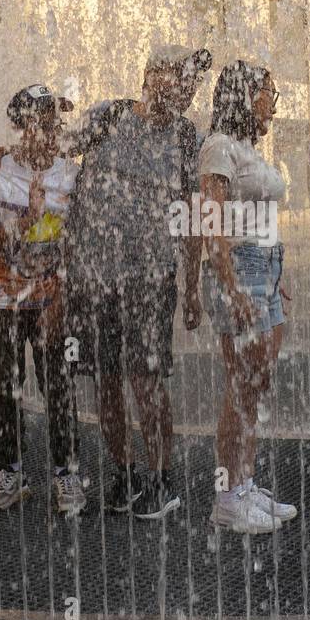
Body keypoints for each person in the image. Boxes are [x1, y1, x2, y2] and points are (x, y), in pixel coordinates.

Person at [63, 45, 210, 519]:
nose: (182, 88)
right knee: (106, 380)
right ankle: (123, 473)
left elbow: (191, 217)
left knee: (146, 380)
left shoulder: (187, 137)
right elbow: (58, 153)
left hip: (152, 279)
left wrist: (191, 288)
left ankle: (162, 478)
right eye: (174, 76)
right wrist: (5, 154)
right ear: (149, 75)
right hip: (95, 277)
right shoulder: (108, 116)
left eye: (189, 84)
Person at [0, 84, 85, 515]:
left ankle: (67, 475)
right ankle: (10, 472)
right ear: (21, 127)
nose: (53, 128)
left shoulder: (71, 175)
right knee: (5, 386)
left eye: (56, 118)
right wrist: (24, 223)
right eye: (43, 119)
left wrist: (65, 295)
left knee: (59, 386)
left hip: (50, 297)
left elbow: (78, 245)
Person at [199, 61, 297, 534]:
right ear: (244, 96)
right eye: (267, 94)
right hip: (238, 269)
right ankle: (226, 498)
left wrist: (276, 275)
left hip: (264, 269)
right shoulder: (218, 147)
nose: (272, 105)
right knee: (241, 386)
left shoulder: (247, 151)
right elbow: (211, 222)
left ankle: (246, 482)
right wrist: (231, 286)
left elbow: (260, 215)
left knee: (256, 385)